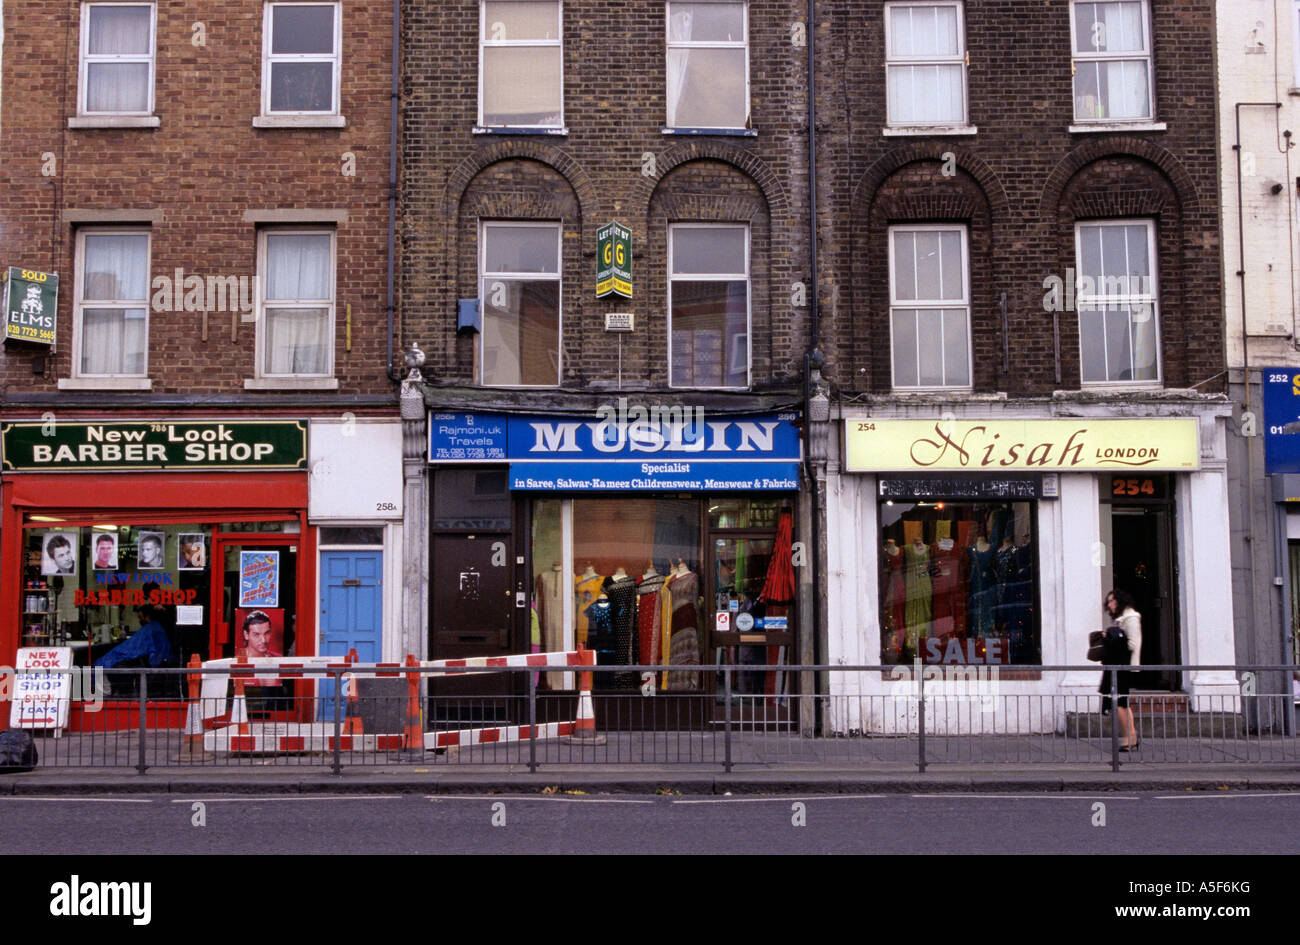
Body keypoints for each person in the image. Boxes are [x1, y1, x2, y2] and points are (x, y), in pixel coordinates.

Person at [1100, 588, 1142, 751]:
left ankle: (1130, 737)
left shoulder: (1130, 619)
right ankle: (1130, 735)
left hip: (1124, 666)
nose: (1109, 604)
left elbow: (1133, 643)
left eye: (1112, 600)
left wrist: (1113, 640)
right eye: (1108, 601)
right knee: (1120, 703)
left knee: (1120, 703)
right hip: (1116, 665)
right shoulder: (1120, 619)